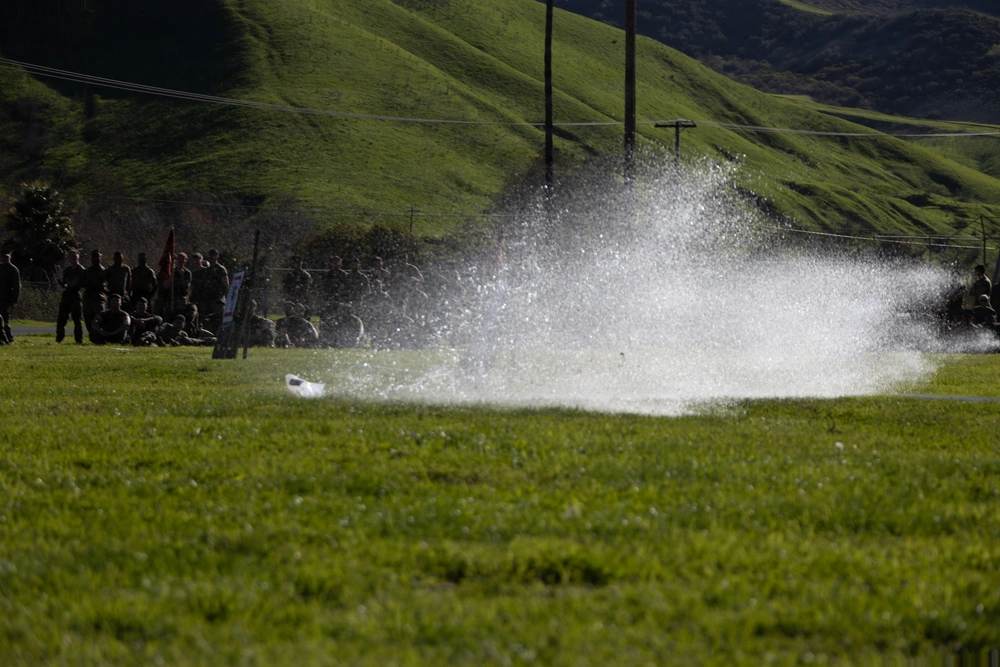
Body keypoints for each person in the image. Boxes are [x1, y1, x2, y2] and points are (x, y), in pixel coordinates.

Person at [56, 250, 87, 344]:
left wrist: (69, 284)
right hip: (67, 295)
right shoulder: (67, 270)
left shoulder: (81, 270)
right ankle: (59, 338)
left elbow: (74, 284)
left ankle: (79, 339)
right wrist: (60, 282)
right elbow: (65, 284)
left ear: (78, 257)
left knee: (77, 319)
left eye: (74, 256)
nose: (73, 258)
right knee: (62, 318)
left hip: (75, 295)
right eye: (71, 256)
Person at [82, 249, 107, 337]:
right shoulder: (87, 271)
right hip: (88, 296)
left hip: (99, 297)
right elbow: (83, 283)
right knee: (88, 316)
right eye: (94, 257)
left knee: (100, 317)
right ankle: (92, 335)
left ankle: (100, 335)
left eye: (98, 257)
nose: (96, 259)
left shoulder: (104, 271)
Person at [0, 252, 21, 345]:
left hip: (7, 299)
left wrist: (14, 301)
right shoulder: (1, 268)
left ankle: (8, 338)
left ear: (10, 258)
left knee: (5, 319)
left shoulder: (13, 269)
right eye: (3, 258)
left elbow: (16, 287)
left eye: (6, 258)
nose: (4, 260)